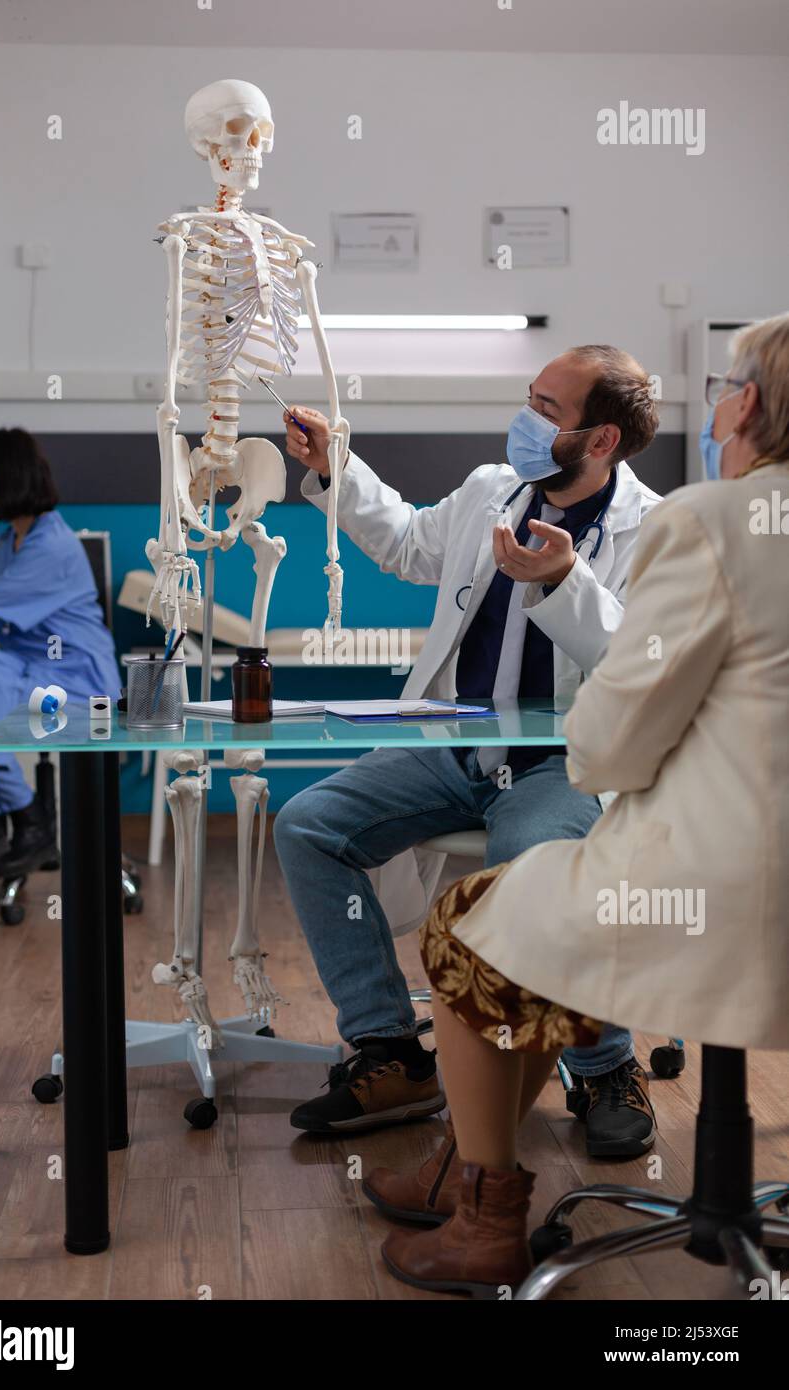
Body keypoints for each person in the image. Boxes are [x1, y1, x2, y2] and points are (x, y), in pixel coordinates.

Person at [365, 312, 789, 1296]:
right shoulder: (494, 496)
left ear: (751, 404)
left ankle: (483, 1210)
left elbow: (605, 742)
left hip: (715, 890)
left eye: (728, 383)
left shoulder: (700, 522)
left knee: (470, 930)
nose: (717, 403)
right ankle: (492, 1153)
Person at [273, 345, 662, 1156]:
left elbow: (642, 660)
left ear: (602, 441)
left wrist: (565, 582)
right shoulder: (495, 489)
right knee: (309, 824)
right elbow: (412, 545)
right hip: (453, 747)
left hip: (562, 761)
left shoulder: (653, 530)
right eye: (528, 399)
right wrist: (339, 470)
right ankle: (388, 1050)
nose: (524, 421)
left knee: (535, 862)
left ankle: (602, 1064)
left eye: (546, 411)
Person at [0, 428, 121, 874]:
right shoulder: (6, 547)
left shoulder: (52, 547)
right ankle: (25, 822)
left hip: (78, 689)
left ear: (5, 476)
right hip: (29, 676)